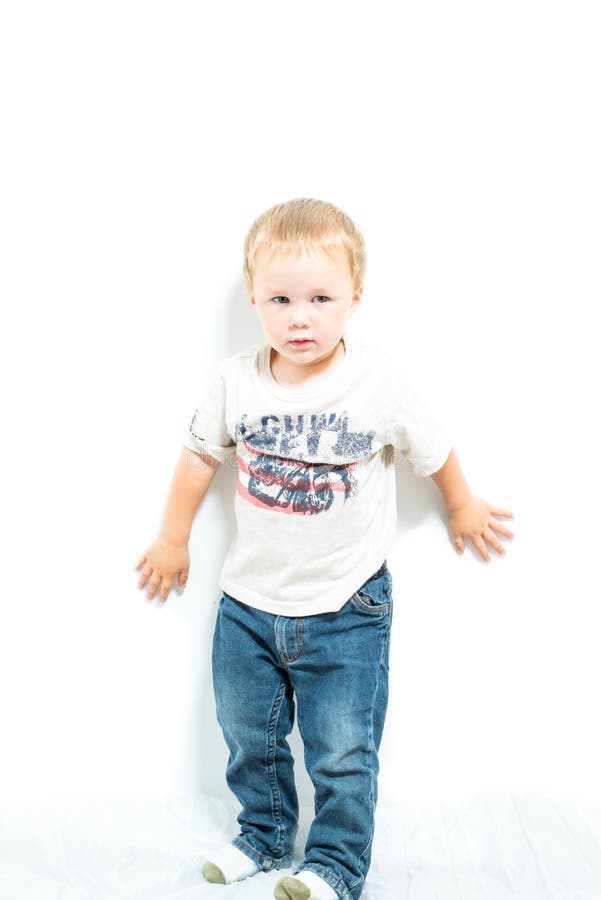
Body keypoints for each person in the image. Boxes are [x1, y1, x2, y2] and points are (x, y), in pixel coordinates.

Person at [134, 197, 514, 900]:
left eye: (319, 298)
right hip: (247, 602)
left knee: (342, 752)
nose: (298, 317)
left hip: (345, 605)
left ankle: (335, 865)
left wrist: (461, 504)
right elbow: (197, 459)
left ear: (353, 299)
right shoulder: (235, 381)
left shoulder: (376, 383)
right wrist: (171, 537)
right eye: (279, 299)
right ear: (253, 297)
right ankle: (264, 835)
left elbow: (433, 449)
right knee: (249, 733)